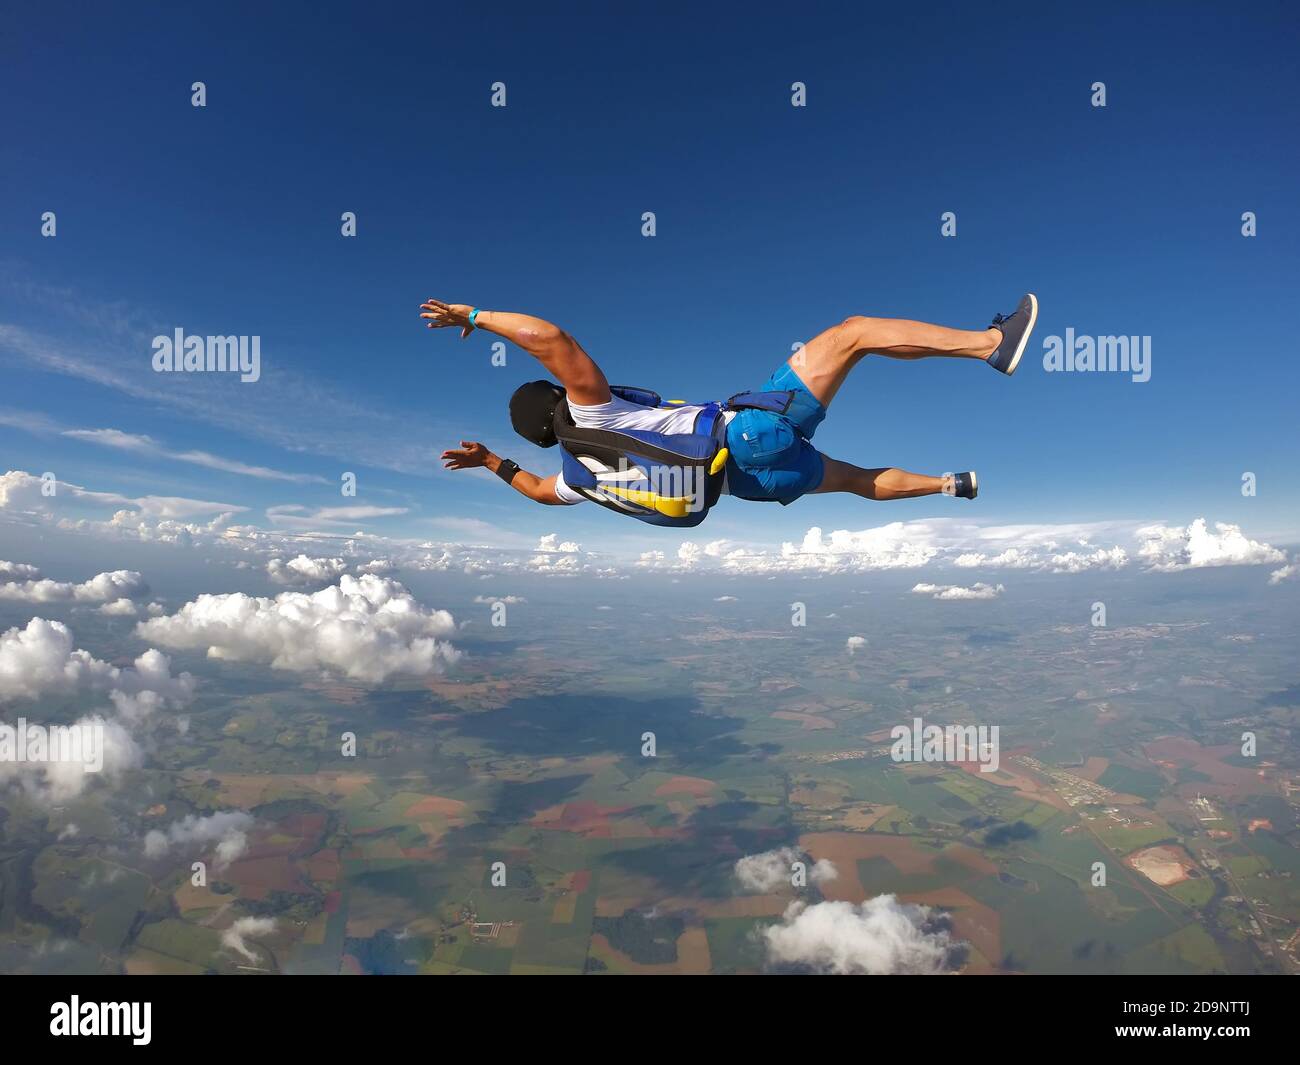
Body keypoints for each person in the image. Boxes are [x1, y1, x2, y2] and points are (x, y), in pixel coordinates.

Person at [422, 295, 1037, 523]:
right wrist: (473, 316)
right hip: (747, 432)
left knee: (853, 481)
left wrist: (490, 463)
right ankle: (990, 345)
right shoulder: (589, 414)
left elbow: (533, 490)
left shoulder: (580, 476)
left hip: (749, 484)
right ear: (555, 402)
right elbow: (552, 341)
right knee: (853, 332)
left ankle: (949, 485)